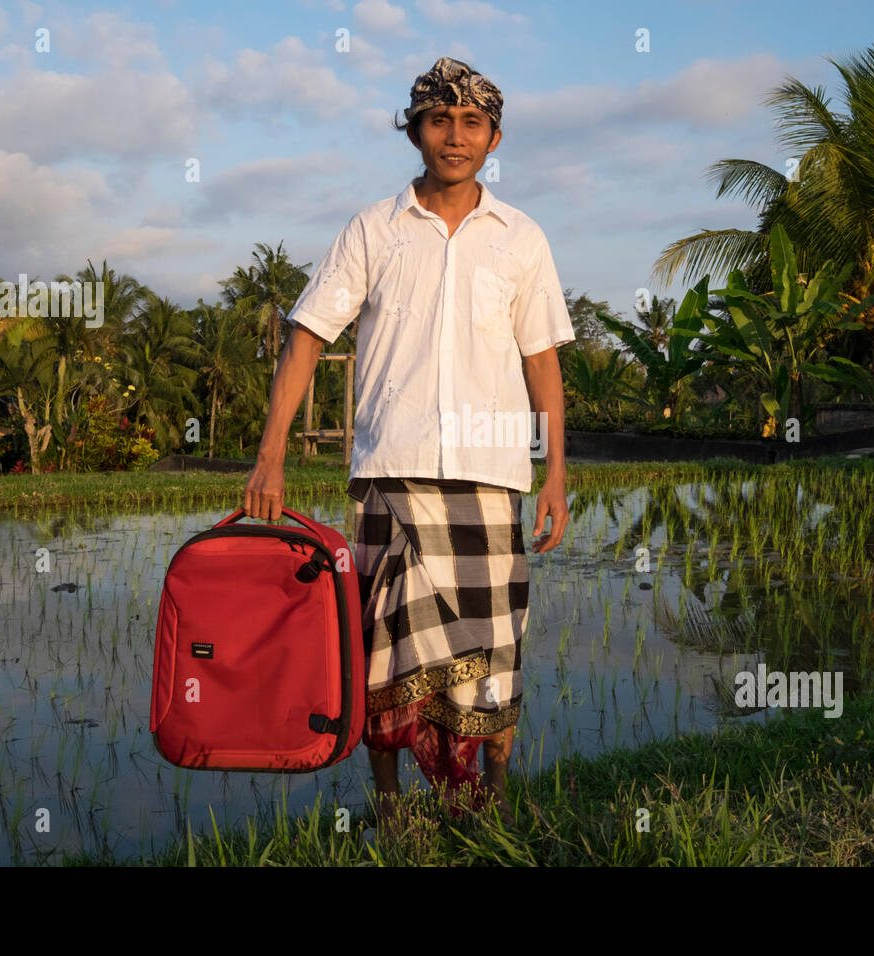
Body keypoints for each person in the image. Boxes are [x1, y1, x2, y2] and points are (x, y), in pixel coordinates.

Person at [243, 56, 574, 831]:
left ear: (494, 137)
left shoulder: (521, 239)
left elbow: (542, 363)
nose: (453, 137)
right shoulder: (375, 229)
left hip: (491, 482)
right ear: (415, 129)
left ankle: (487, 806)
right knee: (385, 657)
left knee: (492, 659)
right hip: (389, 478)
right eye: (438, 120)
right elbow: (306, 336)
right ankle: (391, 811)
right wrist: (270, 454)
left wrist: (555, 470)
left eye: (471, 123)